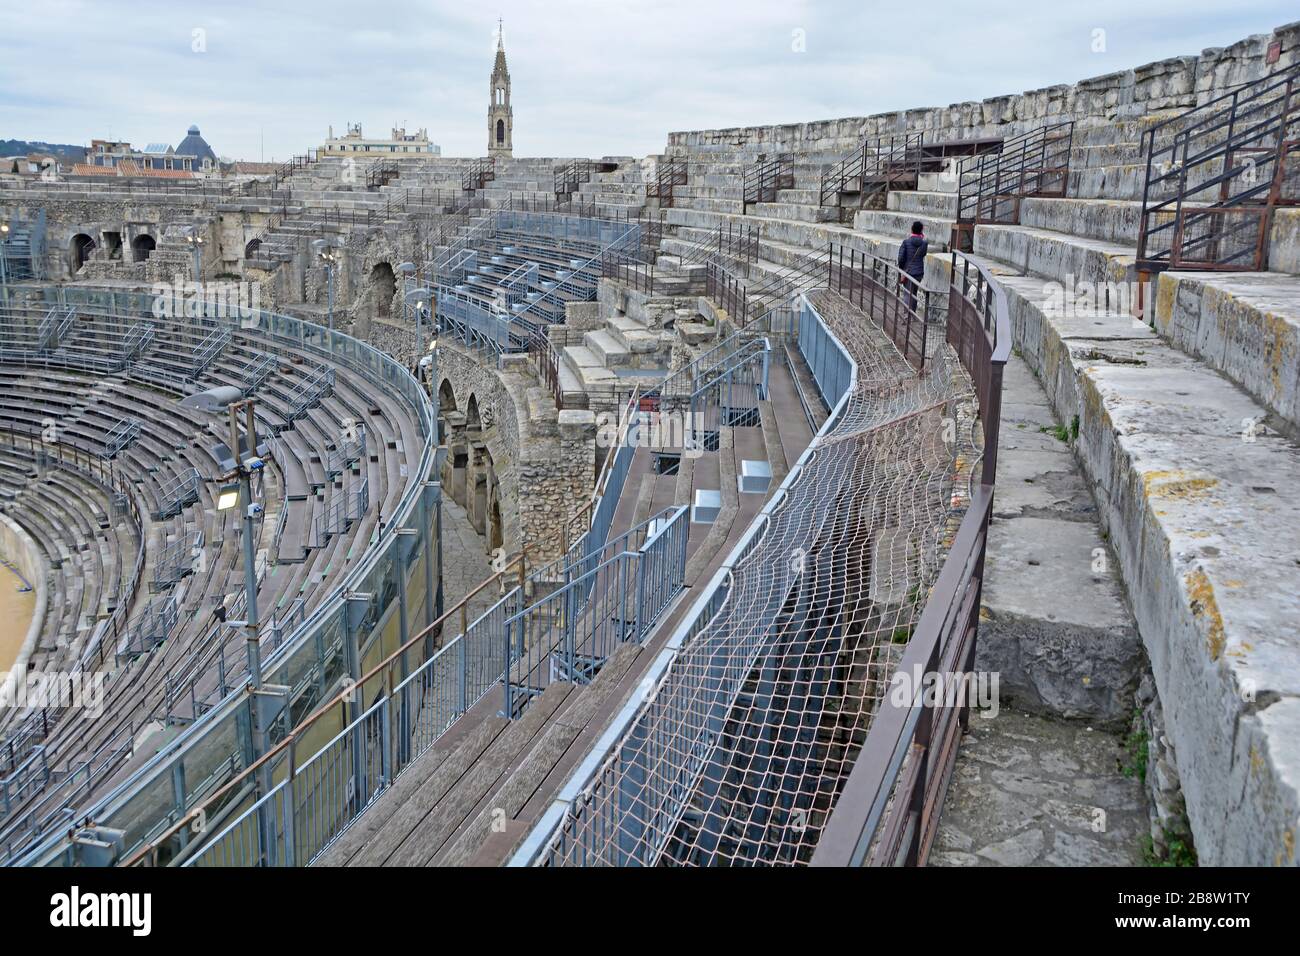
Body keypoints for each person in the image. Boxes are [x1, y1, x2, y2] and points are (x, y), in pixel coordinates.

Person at [897, 221, 928, 312]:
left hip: (908, 271)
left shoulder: (906, 242)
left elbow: (901, 258)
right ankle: (912, 314)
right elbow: (923, 254)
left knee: (907, 293)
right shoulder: (924, 243)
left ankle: (907, 315)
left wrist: (902, 268)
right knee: (914, 293)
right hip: (918, 272)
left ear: (912, 229)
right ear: (921, 230)